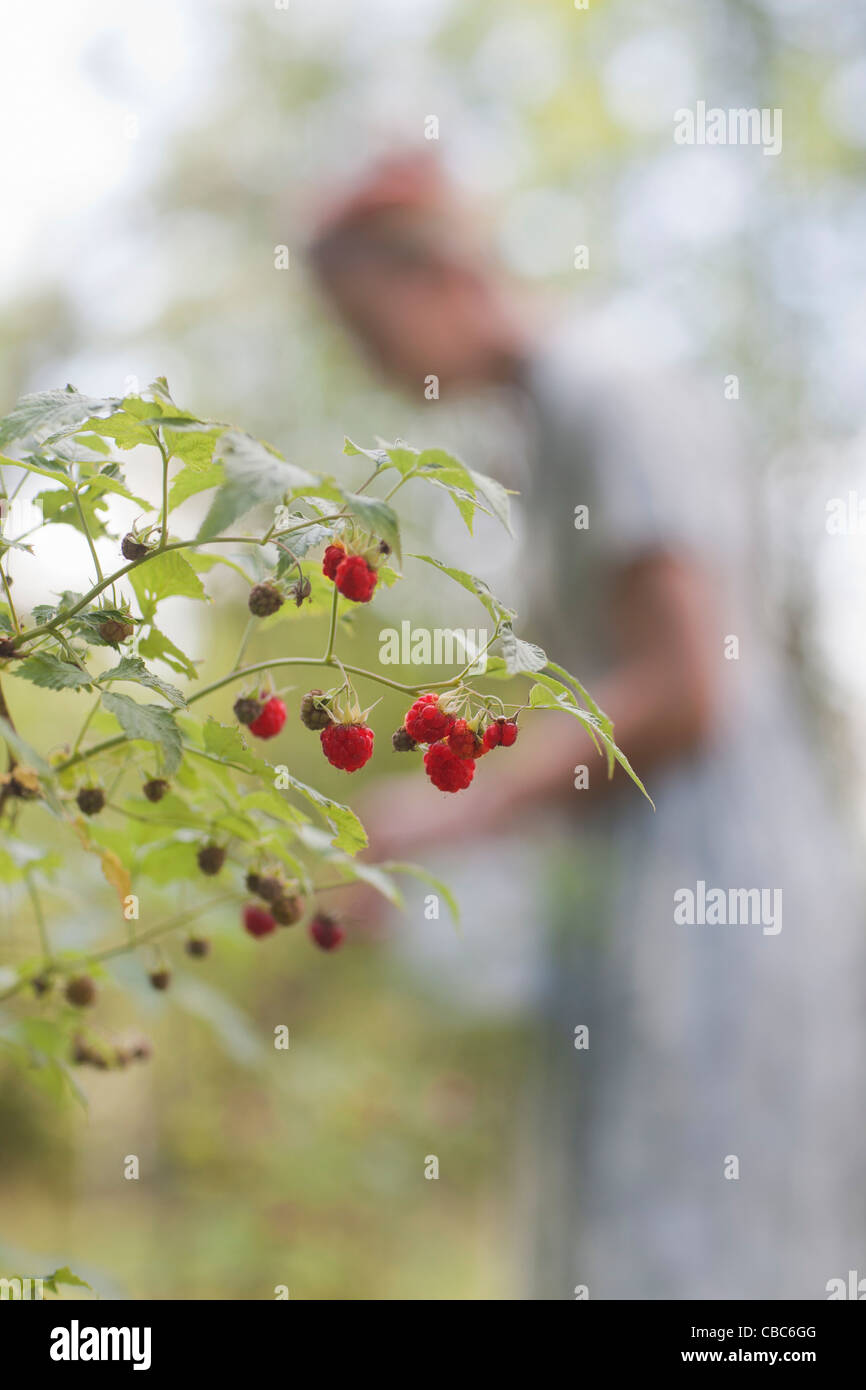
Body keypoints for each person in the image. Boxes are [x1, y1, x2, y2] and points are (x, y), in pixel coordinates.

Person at [307, 153, 865, 1299]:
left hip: (714, 892)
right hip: (649, 884)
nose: (367, 362)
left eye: (365, 326)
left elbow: (680, 687)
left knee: (697, 1250)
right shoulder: (550, 421)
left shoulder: (603, 393)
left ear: (437, 277)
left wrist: (435, 815)